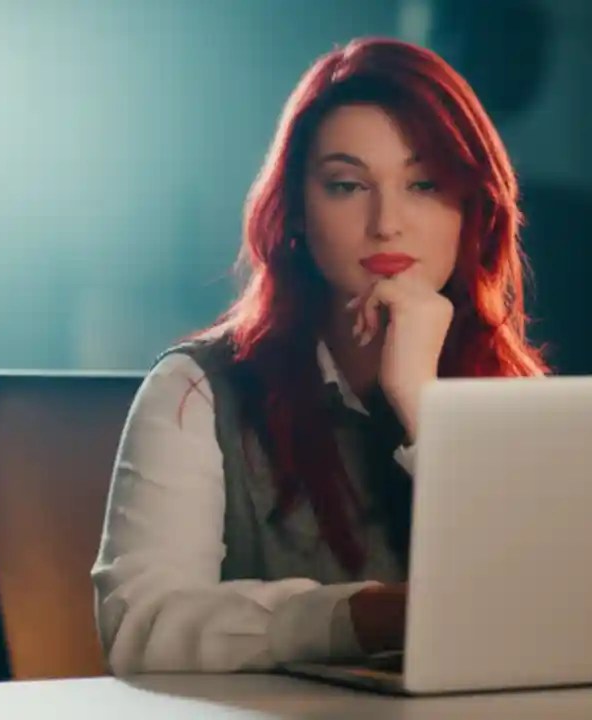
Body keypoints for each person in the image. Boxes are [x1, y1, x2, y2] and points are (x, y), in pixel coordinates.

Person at [90, 36, 548, 674]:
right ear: (298, 211)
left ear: (471, 210)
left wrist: (420, 398)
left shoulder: (521, 399)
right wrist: (356, 617)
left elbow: (546, 608)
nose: (387, 222)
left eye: (423, 183)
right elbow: (141, 627)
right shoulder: (196, 390)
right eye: (346, 185)